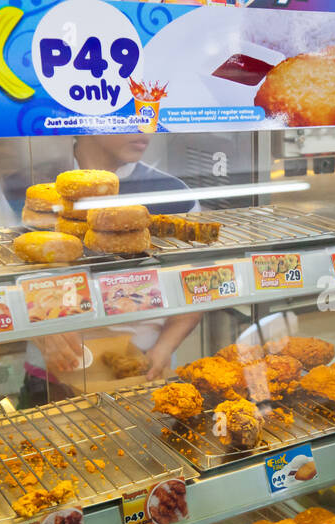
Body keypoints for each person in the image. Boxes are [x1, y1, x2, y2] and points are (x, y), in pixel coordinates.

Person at [19, 134, 203, 406]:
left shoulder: (174, 195)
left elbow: (198, 282)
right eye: (126, 117)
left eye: (146, 116)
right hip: (50, 376)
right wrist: (39, 322)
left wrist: (165, 347)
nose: (144, 130)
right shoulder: (29, 188)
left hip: (145, 367)